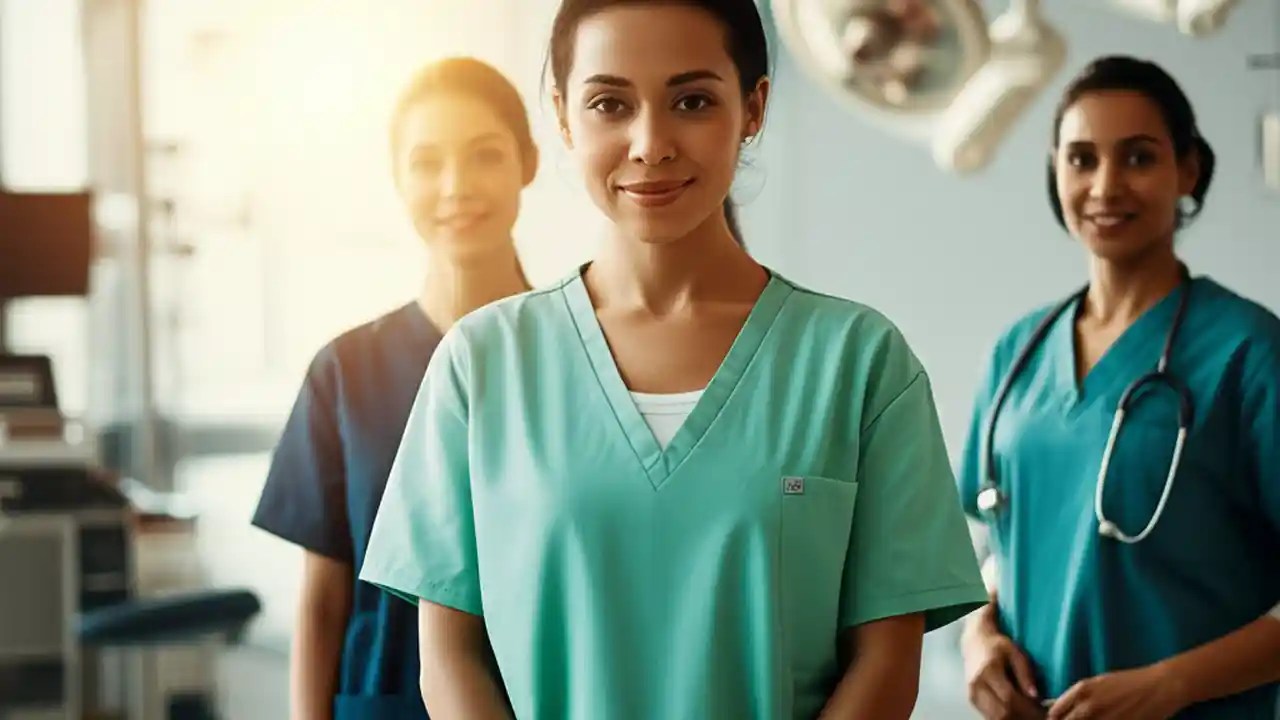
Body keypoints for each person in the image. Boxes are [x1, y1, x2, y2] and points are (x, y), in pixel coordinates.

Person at [358, 1, 987, 718]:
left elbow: (887, 662)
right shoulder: (481, 364)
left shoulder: (860, 364)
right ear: (562, 116)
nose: (650, 144)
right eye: (609, 104)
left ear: (753, 108)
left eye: (691, 101)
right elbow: (449, 659)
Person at [956, 55, 1280, 720]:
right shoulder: (1017, 354)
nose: (1106, 186)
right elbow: (1004, 546)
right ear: (1056, 173)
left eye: (1137, 158)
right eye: (1082, 160)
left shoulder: (1247, 351)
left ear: (1187, 171)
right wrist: (977, 635)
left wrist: (1172, 684)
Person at [250, 56, 539, 720]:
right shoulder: (345, 373)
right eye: (427, 163)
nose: (455, 186)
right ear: (397, 179)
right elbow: (323, 600)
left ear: (528, 163)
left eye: (485, 156)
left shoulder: (580, 356)